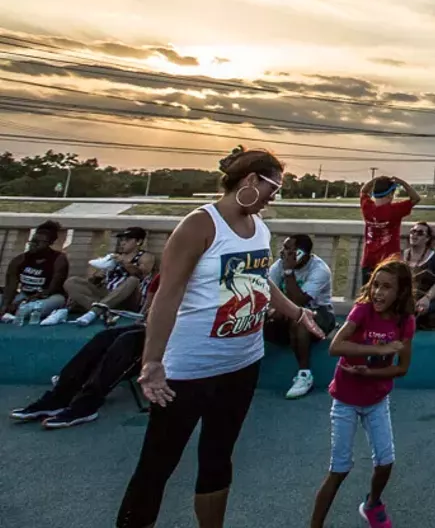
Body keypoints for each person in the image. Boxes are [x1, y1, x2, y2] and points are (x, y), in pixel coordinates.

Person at [116, 146, 327, 528]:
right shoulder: (199, 226)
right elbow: (167, 297)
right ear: (250, 180)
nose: (273, 197)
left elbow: (258, 281)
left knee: (218, 457)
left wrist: (296, 312)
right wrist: (153, 362)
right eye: (273, 188)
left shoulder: (259, 228)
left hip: (242, 364)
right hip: (189, 369)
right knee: (158, 462)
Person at [309, 258, 416, 528]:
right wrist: (378, 350)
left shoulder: (405, 322)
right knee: (339, 469)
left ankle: (372, 504)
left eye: (387, 287)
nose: (378, 292)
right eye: (376, 285)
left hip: (377, 400)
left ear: (401, 292)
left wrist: (370, 373)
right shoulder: (362, 311)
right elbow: (335, 346)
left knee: (386, 461)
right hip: (345, 400)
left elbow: (402, 368)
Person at [10, 275, 160, 430]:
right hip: (156, 328)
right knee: (104, 337)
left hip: (169, 342)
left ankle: (86, 404)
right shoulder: (162, 278)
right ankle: (60, 396)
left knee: (127, 341)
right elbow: (147, 313)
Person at [266, 234, 337, 400]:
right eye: (283, 248)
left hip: (319, 313)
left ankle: (304, 374)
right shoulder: (279, 265)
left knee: (300, 320)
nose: (282, 252)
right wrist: (274, 312)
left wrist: (289, 271)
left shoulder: (320, 270)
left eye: (287, 249)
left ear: (300, 253)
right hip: (288, 312)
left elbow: (299, 301)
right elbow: (267, 293)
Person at [52, 226, 154, 327]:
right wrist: (97, 276)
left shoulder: (145, 256)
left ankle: (95, 311)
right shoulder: (113, 257)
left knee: (133, 280)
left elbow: (141, 275)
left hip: (128, 298)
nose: (122, 243)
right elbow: (94, 280)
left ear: (139, 241)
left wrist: (123, 262)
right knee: (71, 282)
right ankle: (101, 311)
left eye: (127, 240)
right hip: (107, 295)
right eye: (122, 240)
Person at [1, 220, 70, 324]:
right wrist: (5, 305)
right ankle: (12, 312)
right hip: (24, 294)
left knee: (29, 310)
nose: (33, 245)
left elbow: (52, 289)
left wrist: (22, 302)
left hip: (49, 297)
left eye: (38, 243)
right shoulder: (19, 260)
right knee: (6, 303)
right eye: (32, 241)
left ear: (50, 243)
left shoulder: (59, 260)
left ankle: (18, 312)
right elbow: (10, 286)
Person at [359, 175, 420, 287]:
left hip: (368, 261)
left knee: (368, 293)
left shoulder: (367, 207)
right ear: (390, 194)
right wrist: (402, 182)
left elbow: (363, 191)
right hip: (389, 262)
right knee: (387, 294)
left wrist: (375, 180)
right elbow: (416, 198)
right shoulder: (395, 210)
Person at [401, 221, 435, 323]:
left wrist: (427, 298)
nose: (414, 235)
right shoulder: (401, 256)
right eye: (413, 231)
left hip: (427, 299)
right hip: (405, 298)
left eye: (420, 233)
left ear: (427, 239)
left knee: (417, 309)